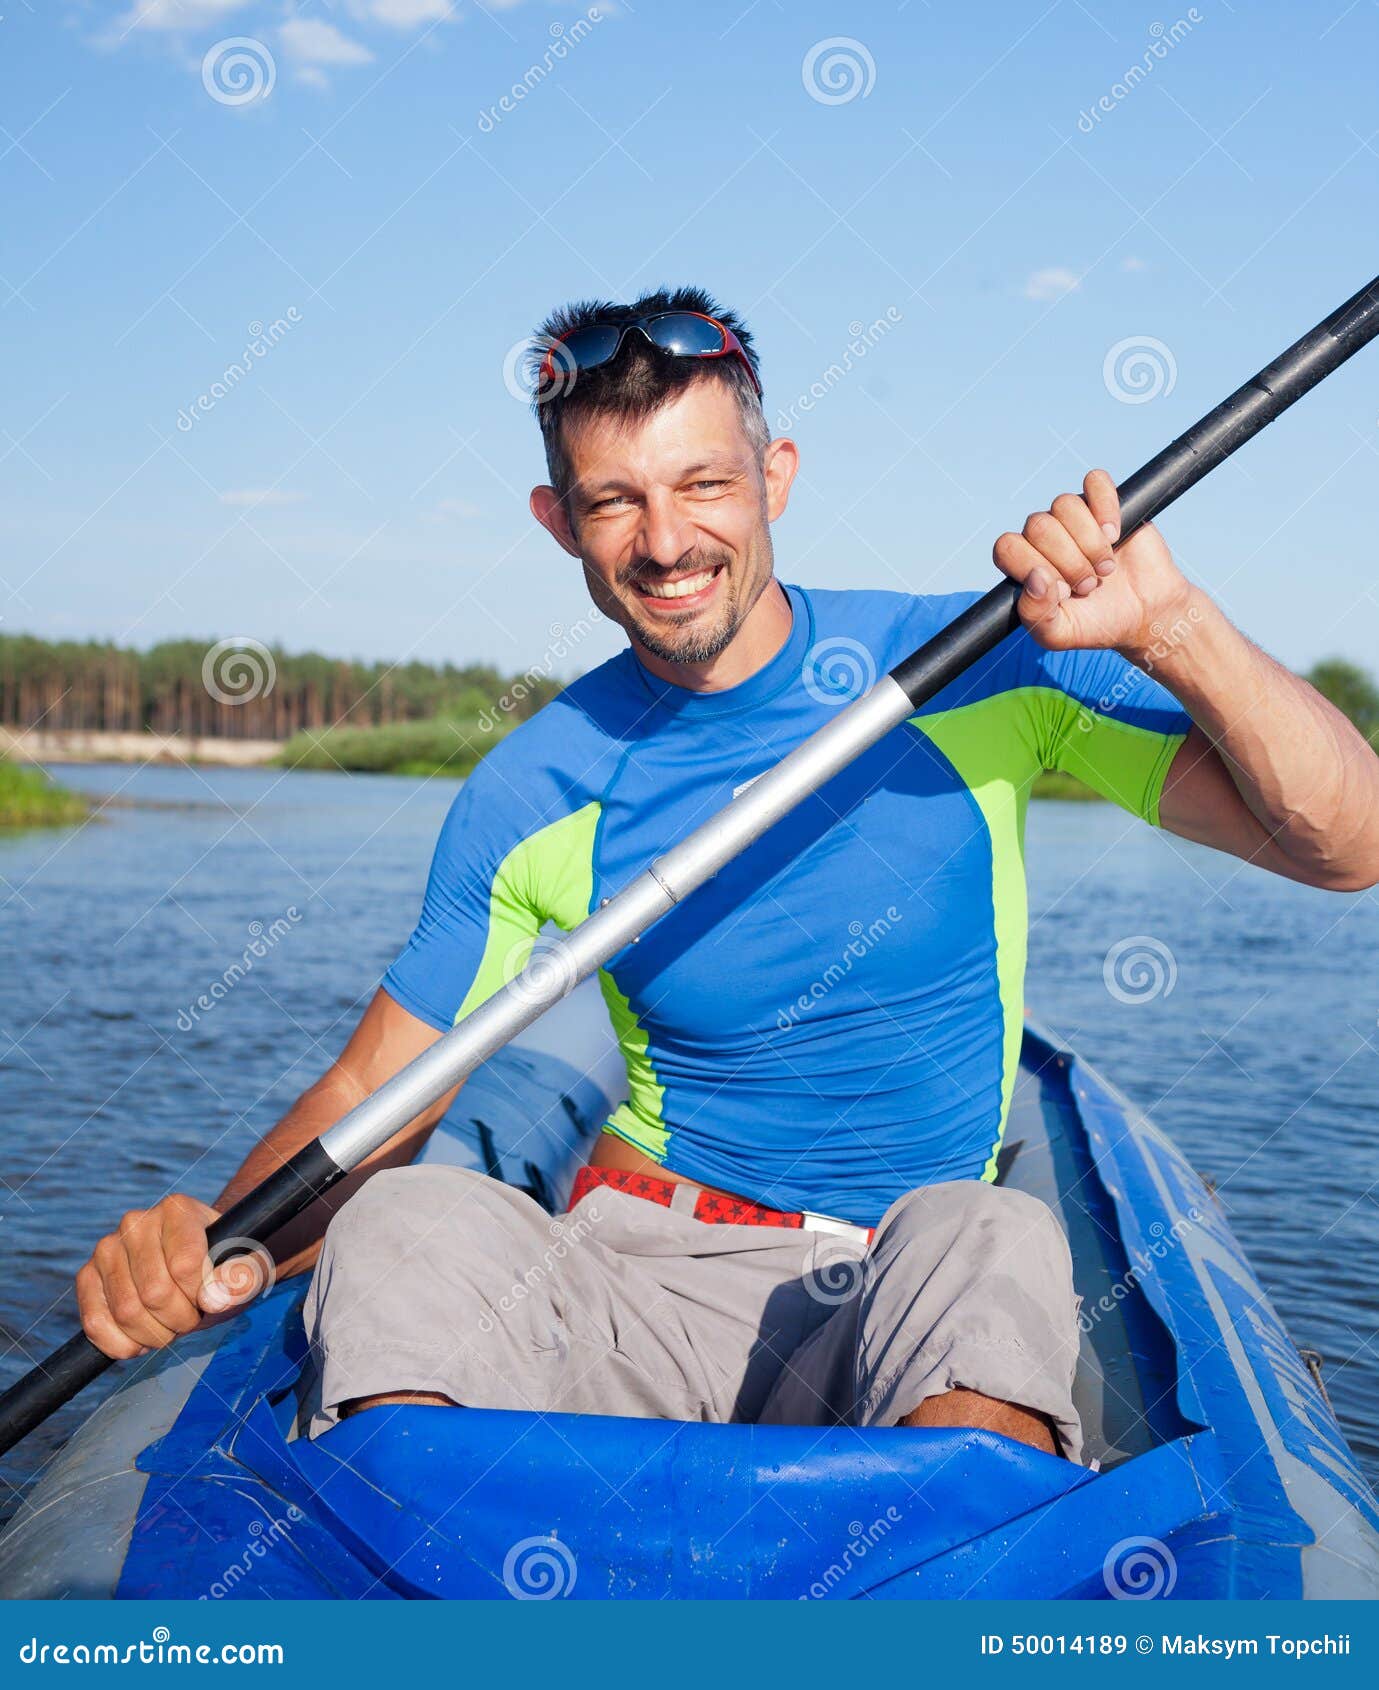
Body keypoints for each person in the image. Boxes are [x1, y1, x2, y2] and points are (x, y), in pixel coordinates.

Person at [74, 287, 1379, 1463]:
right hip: (639, 1271)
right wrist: (207, 1247)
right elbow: (373, 1091)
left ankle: (931, 1577)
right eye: (613, 501)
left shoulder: (983, 662)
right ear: (558, 521)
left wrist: (1173, 629)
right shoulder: (537, 787)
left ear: (776, 476)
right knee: (404, 1222)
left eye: (703, 483)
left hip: (901, 1276)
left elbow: (1348, 844)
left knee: (995, 1239)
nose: (666, 540)